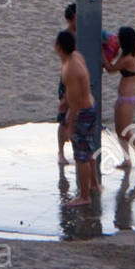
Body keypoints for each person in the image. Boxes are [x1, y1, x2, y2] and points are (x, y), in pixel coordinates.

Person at [56, 30, 97, 206]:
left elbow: (76, 102)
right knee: (89, 149)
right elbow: (76, 91)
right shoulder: (75, 57)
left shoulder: (70, 68)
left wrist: (70, 125)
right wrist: (64, 100)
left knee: (81, 157)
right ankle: (94, 184)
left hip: (83, 112)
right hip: (90, 107)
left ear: (58, 47)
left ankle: (84, 196)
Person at [104, 26, 135, 171]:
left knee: (126, 131)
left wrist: (101, 53)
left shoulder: (128, 59)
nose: (117, 40)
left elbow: (110, 69)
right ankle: (126, 159)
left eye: (119, 38)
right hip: (123, 97)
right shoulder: (125, 55)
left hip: (128, 98)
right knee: (119, 130)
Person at [57, 4, 76, 164]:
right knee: (64, 117)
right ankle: (61, 152)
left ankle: (77, 149)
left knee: (77, 114)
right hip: (67, 77)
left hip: (79, 77)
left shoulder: (85, 33)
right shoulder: (65, 35)